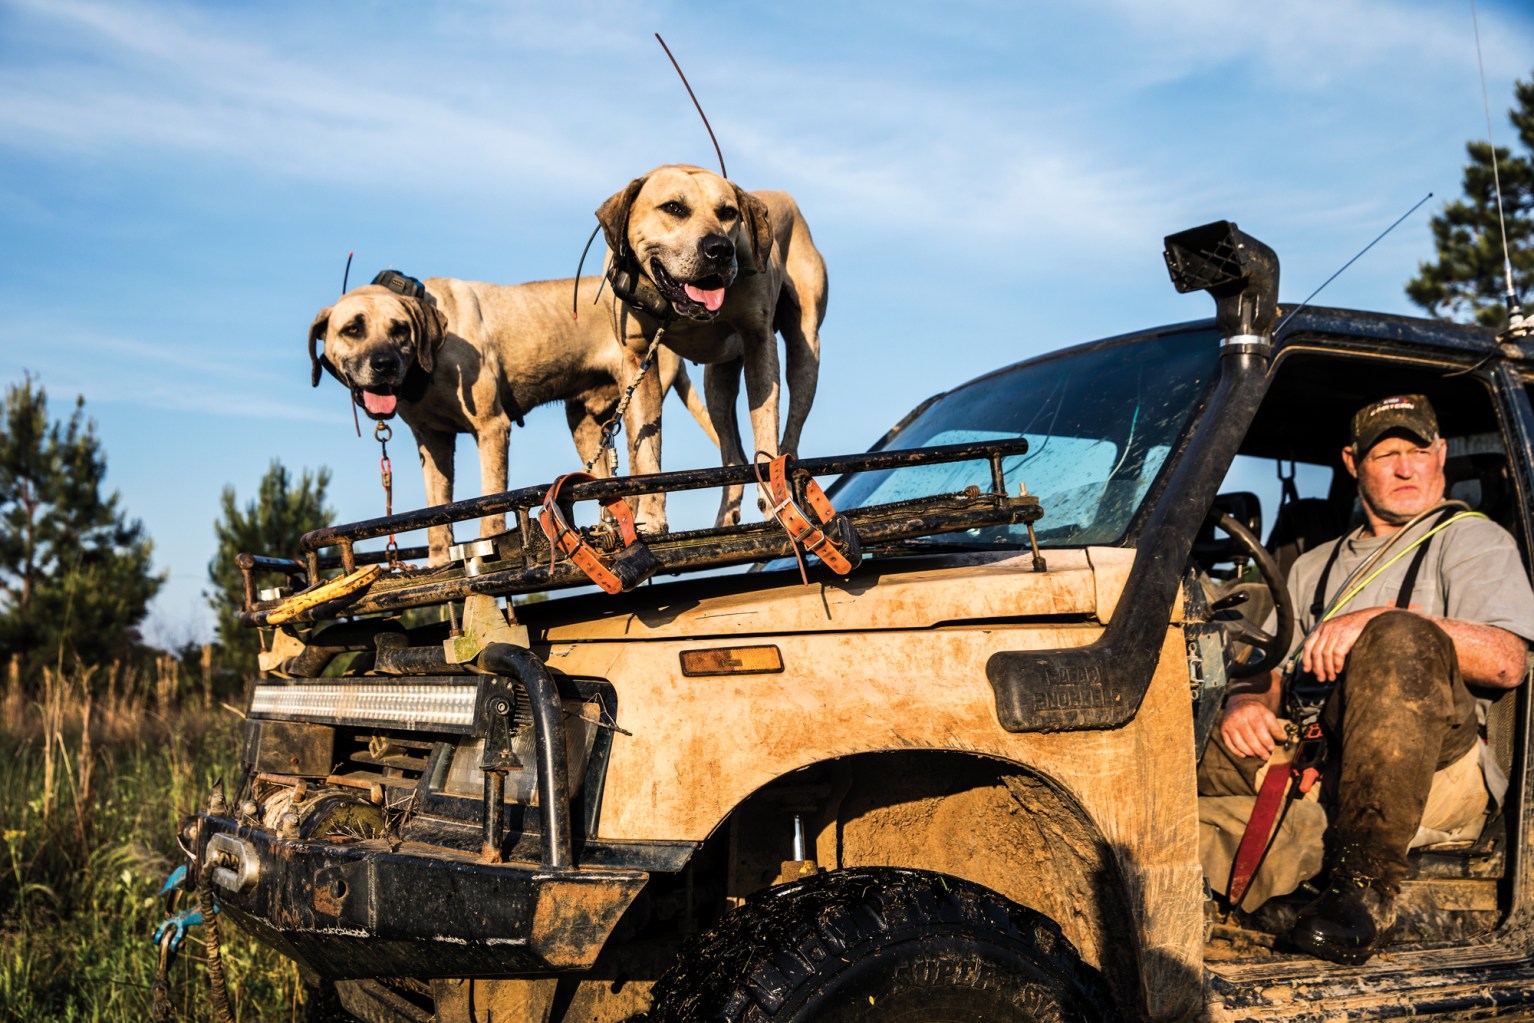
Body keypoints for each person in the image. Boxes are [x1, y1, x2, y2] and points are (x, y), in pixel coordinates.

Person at [1199, 394, 1534, 964]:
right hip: (1317, 754)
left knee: (1399, 637)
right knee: (1176, 712)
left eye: (1418, 450)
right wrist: (1245, 703)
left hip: (1434, 768)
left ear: (1441, 455)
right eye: (1386, 454)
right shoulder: (1313, 564)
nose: (1406, 467)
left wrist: (1378, 619)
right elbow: (1270, 668)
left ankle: (1363, 890)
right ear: (1354, 463)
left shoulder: (1471, 539)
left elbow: (1507, 659)